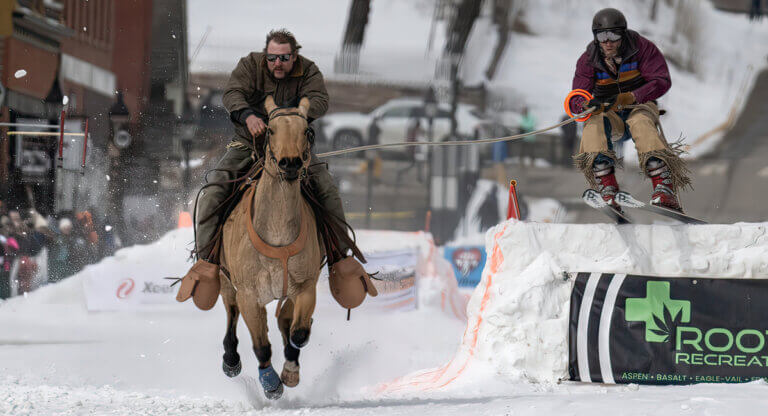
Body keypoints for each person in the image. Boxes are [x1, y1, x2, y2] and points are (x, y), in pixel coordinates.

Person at [176, 29, 367, 310]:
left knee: (326, 189)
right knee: (212, 192)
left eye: (284, 58)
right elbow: (232, 94)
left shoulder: (309, 71)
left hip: (292, 150)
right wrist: (248, 115)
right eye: (272, 58)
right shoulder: (249, 66)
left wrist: (294, 116)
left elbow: (320, 100)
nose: (277, 64)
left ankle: (339, 258)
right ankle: (206, 262)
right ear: (265, 55)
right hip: (247, 146)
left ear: (295, 57)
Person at [568, 8, 690, 212]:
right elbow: (577, 97)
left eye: (613, 35)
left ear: (623, 34)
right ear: (595, 37)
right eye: (602, 36)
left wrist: (633, 96)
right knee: (593, 123)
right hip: (610, 115)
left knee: (640, 121)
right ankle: (607, 187)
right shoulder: (588, 60)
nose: (608, 42)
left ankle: (664, 187)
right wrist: (586, 104)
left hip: (639, 105)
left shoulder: (643, 48)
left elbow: (662, 80)